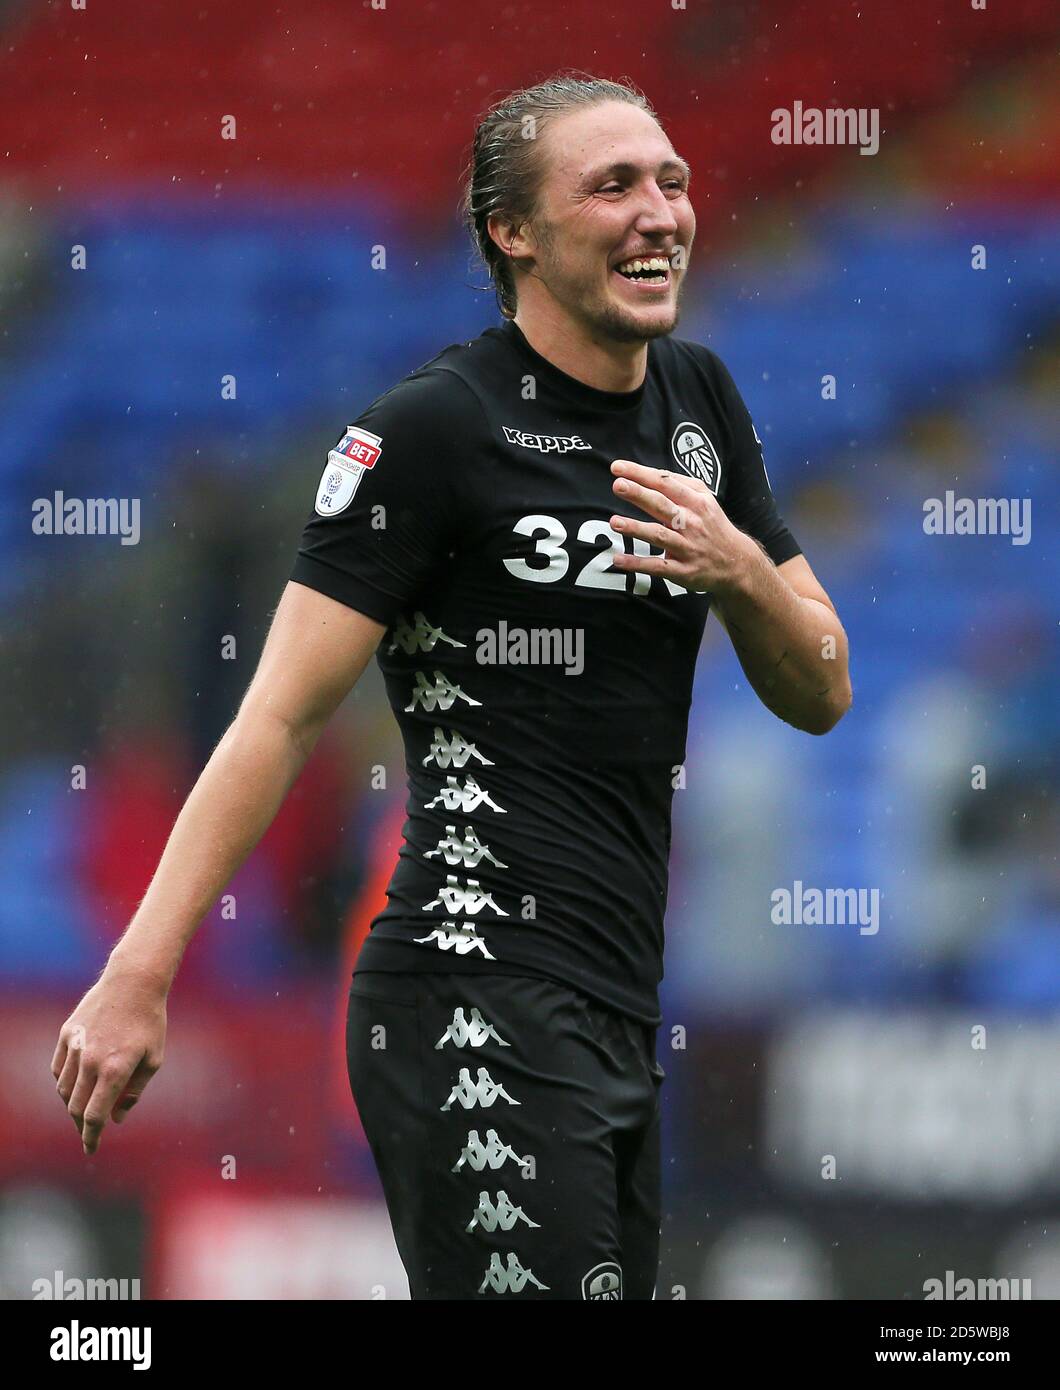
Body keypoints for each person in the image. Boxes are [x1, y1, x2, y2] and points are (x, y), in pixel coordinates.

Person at [52, 73, 851, 1300]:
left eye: (672, 180)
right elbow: (278, 713)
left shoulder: (700, 405)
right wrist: (138, 973)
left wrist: (737, 568)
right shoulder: (431, 431)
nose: (660, 212)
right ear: (512, 232)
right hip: (469, 984)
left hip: (618, 1001)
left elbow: (822, 687)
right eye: (613, 185)